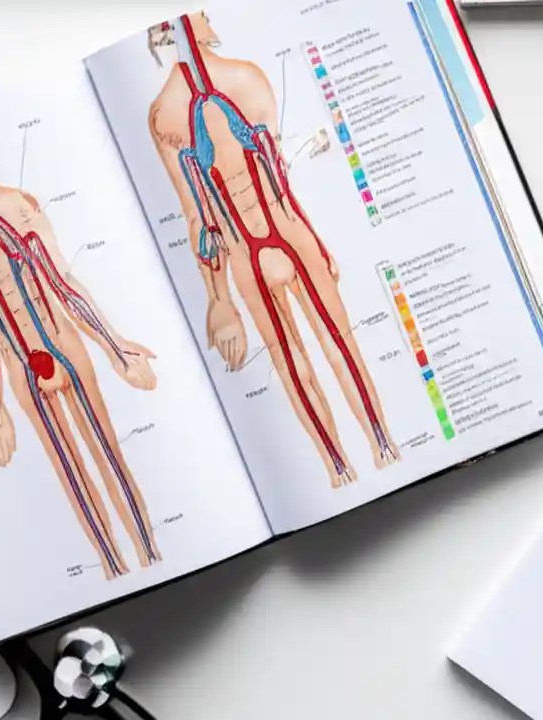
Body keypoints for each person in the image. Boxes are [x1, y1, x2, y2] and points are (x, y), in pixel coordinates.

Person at [148, 12, 400, 489]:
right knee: (337, 346)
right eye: (203, 14)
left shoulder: (164, 114)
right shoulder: (246, 78)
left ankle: (342, 469)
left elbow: (196, 215)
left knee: (297, 363)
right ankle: (379, 449)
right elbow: (276, 174)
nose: (209, 19)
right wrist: (223, 300)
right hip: (287, 235)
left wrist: (219, 298)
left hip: (248, 253)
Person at [0, 123, 160, 579]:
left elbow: (62, 281)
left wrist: (116, 347)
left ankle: (149, 557)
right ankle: (115, 568)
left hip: (60, 343)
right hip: (21, 364)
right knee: (70, 467)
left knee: (106, 452)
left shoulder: (16, 204)